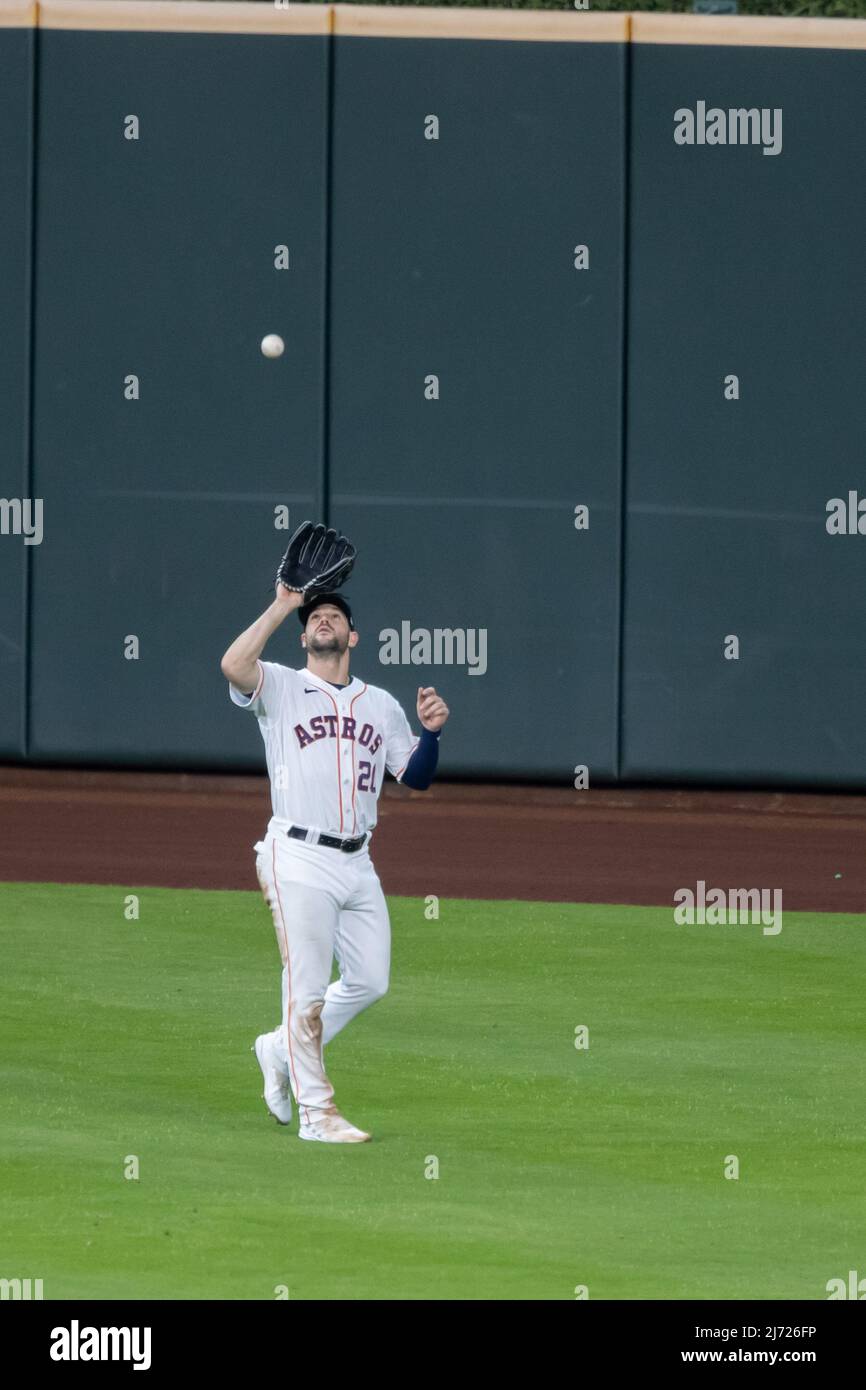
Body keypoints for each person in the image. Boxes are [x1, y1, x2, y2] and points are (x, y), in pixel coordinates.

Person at [220, 581, 449, 1143]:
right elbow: (232, 663)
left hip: (357, 861)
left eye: (335, 616)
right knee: (307, 989)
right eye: (317, 615)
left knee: (370, 980)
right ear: (304, 635)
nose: (326, 620)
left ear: (353, 636)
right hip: (295, 855)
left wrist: (431, 734)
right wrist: (283, 603)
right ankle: (316, 1114)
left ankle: (277, 1049)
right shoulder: (281, 686)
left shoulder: (381, 705)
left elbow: (414, 776)